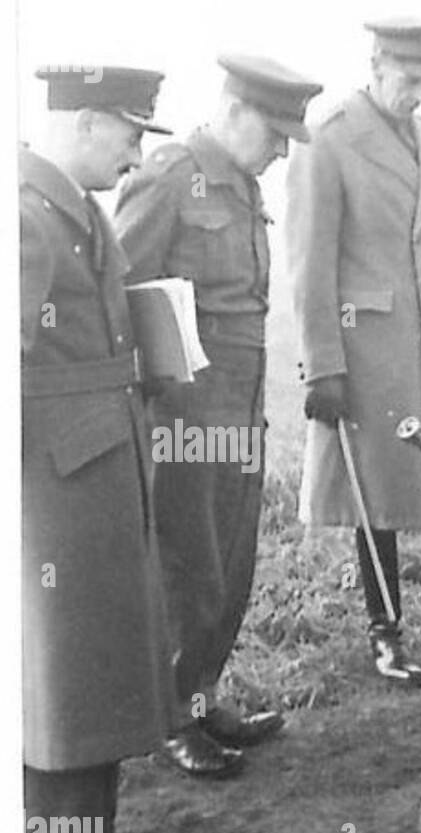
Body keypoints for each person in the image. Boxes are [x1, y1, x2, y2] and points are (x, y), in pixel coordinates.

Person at [286, 17, 421, 686]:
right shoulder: (328, 142)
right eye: (411, 80)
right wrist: (323, 364)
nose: (420, 94)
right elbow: (309, 265)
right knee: (374, 490)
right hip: (373, 349)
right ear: (378, 64)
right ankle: (387, 634)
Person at [116, 54, 322, 778]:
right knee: (189, 565)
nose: (281, 149)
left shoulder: (241, 183)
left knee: (232, 562)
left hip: (243, 397)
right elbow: (126, 291)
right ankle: (172, 717)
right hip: (186, 406)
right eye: (273, 132)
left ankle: (202, 698)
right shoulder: (172, 176)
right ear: (235, 112)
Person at [21, 65, 173, 833]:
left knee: (99, 660)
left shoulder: (69, 208)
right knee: (61, 672)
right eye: (126, 131)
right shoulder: (24, 216)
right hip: (56, 481)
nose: (134, 150)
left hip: (99, 463)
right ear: (82, 123)